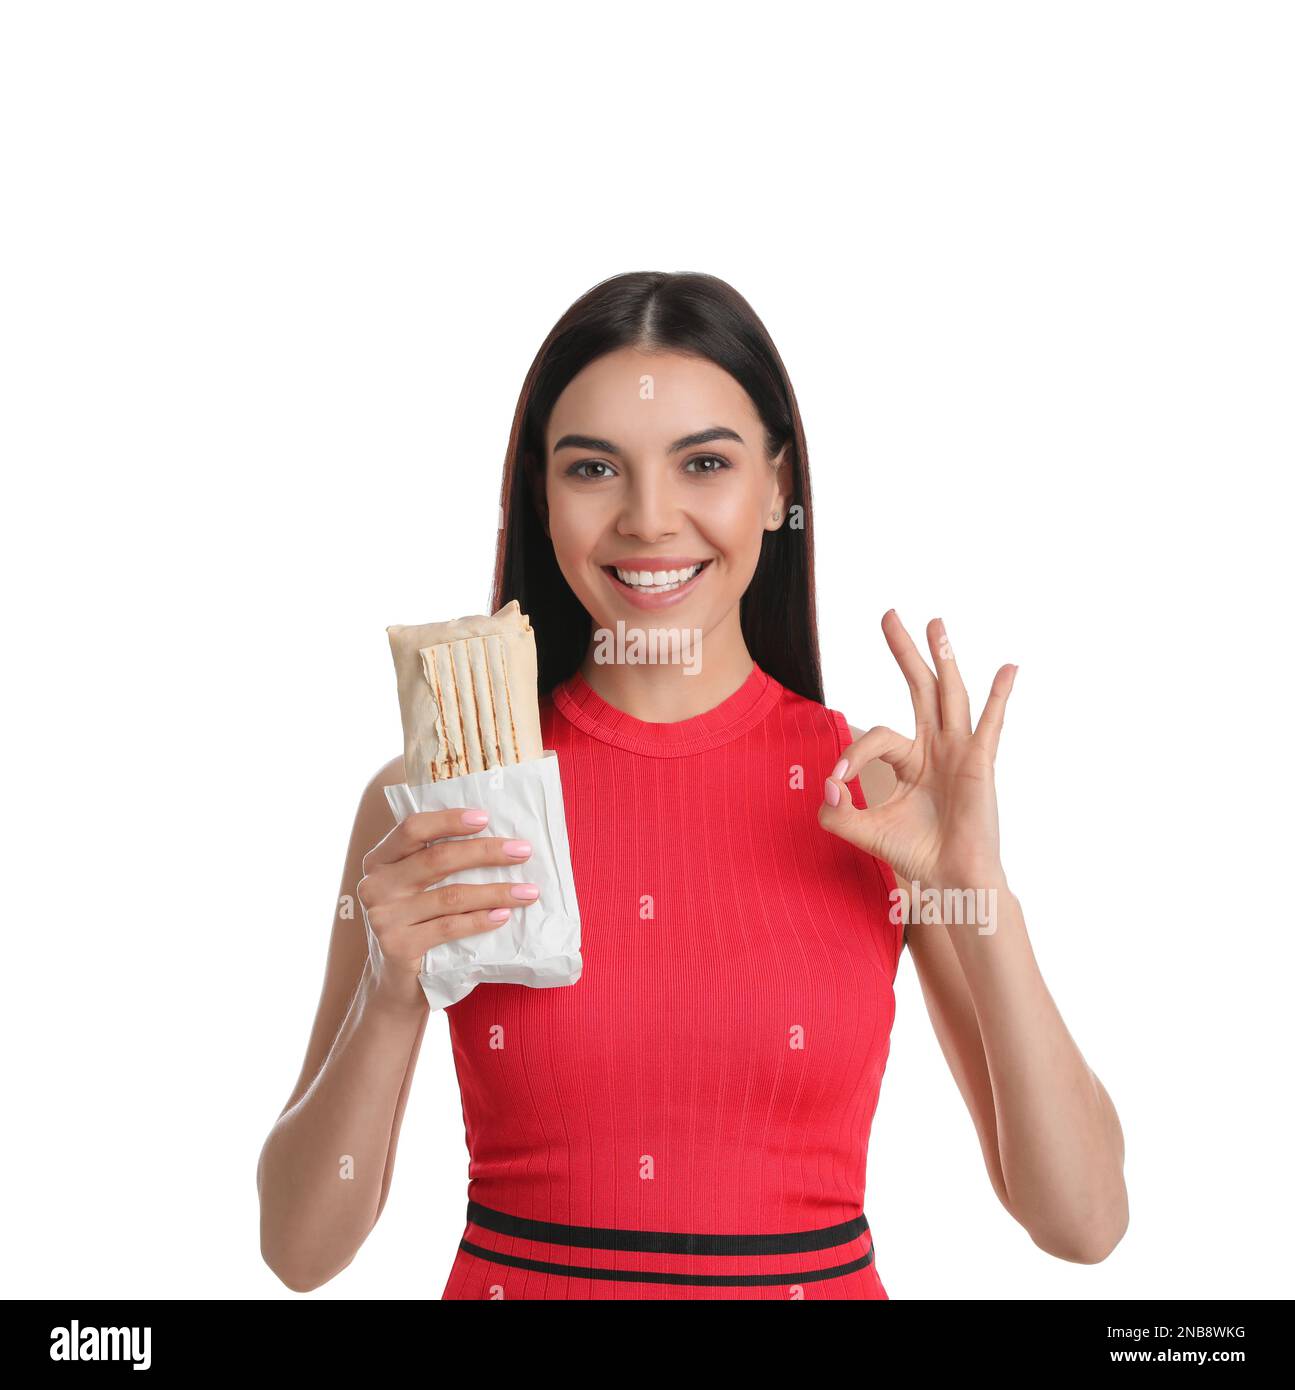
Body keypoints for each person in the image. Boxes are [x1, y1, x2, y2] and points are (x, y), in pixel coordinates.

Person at [256, 271, 1128, 1298]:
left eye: (703, 461)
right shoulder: (439, 796)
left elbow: (1081, 1221)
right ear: (541, 497)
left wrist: (978, 894)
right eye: (592, 469)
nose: (648, 518)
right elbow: (298, 1250)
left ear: (776, 485)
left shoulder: (879, 798)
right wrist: (391, 988)